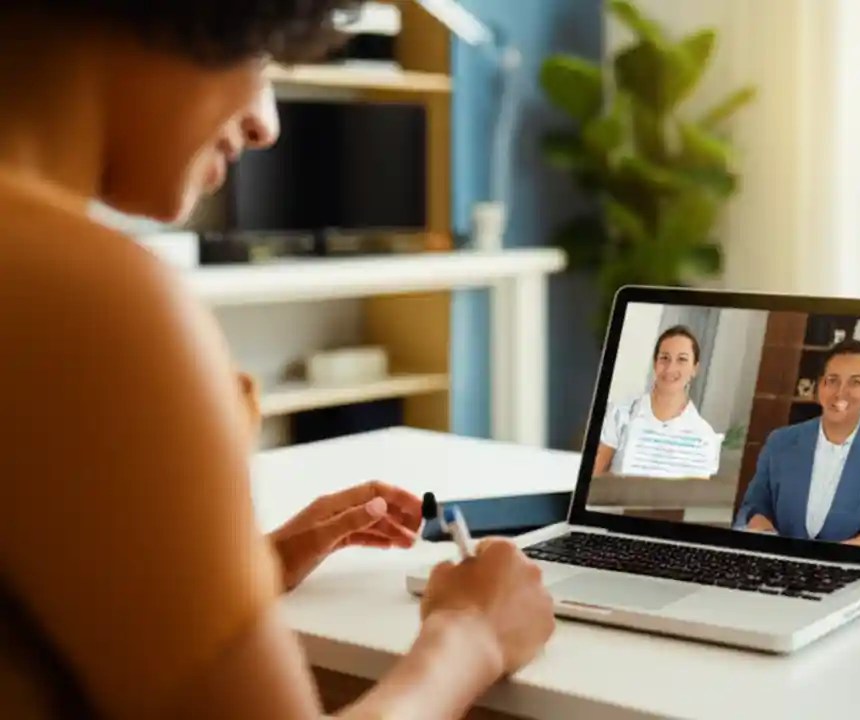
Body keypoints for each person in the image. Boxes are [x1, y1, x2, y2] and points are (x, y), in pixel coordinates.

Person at [0, 3, 554, 718]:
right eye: (259, 54)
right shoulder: (83, 299)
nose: (267, 122)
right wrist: (471, 634)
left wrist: (251, 566)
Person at [734, 340, 860, 551]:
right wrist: (770, 540)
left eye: (855, 382)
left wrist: (839, 555)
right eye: (833, 380)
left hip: (847, 567)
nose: (840, 393)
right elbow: (753, 508)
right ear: (821, 387)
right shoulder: (780, 442)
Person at [592, 325, 721, 478]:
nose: (670, 368)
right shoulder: (620, 415)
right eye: (664, 358)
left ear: (694, 369)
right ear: (655, 363)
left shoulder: (705, 436)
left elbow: (697, 497)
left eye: (682, 359)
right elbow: (593, 478)